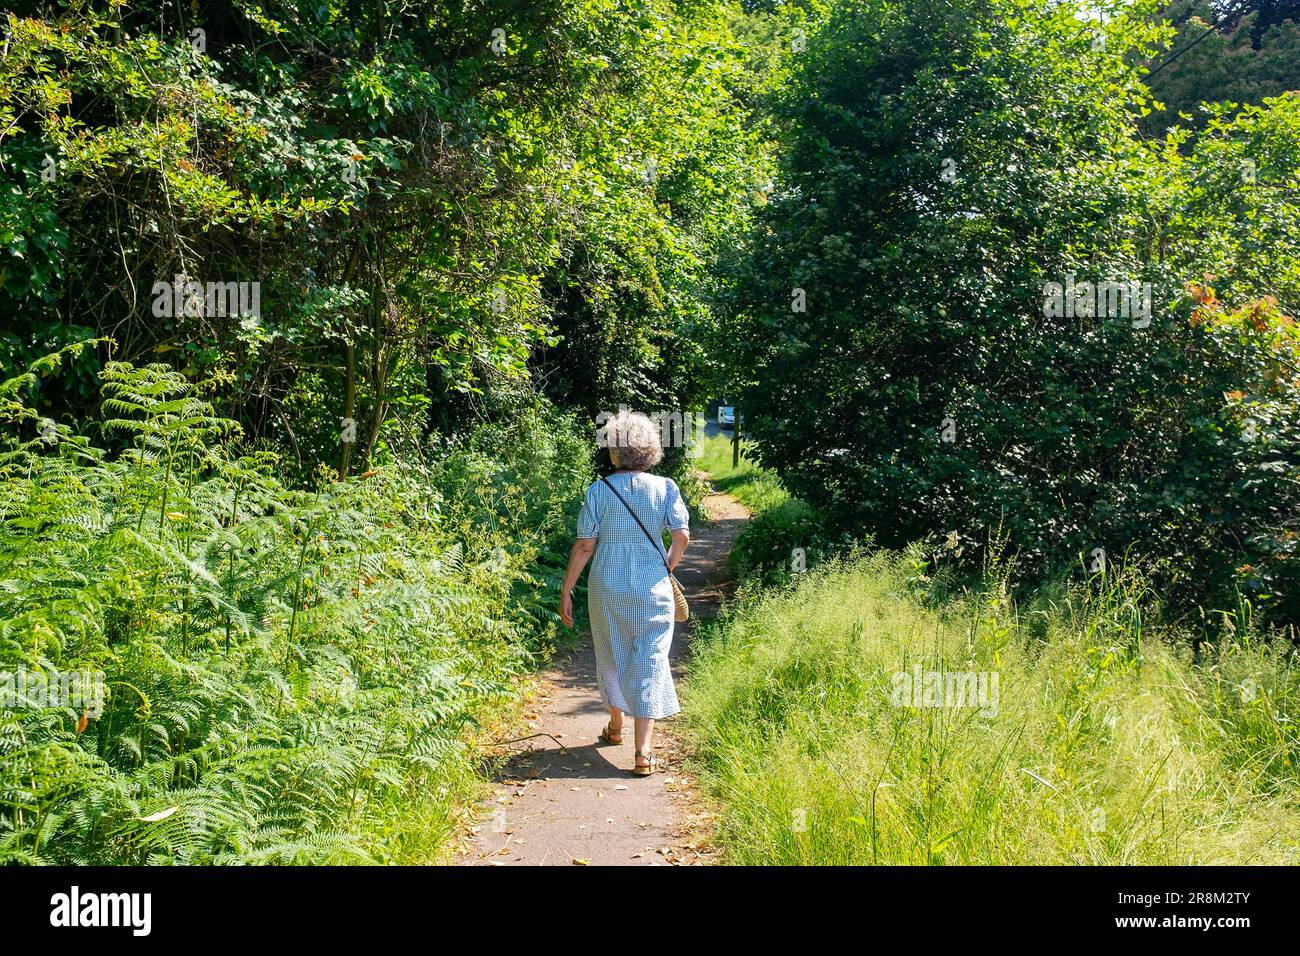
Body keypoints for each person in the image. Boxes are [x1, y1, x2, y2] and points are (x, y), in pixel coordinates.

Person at [559, 410, 690, 775]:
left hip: (608, 587)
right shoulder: (666, 488)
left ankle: (615, 726)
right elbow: (681, 535)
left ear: (614, 450)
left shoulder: (599, 490)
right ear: (650, 450)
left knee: (611, 653)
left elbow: (585, 545)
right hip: (653, 589)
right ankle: (643, 753)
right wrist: (667, 566)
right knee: (650, 659)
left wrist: (567, 590)